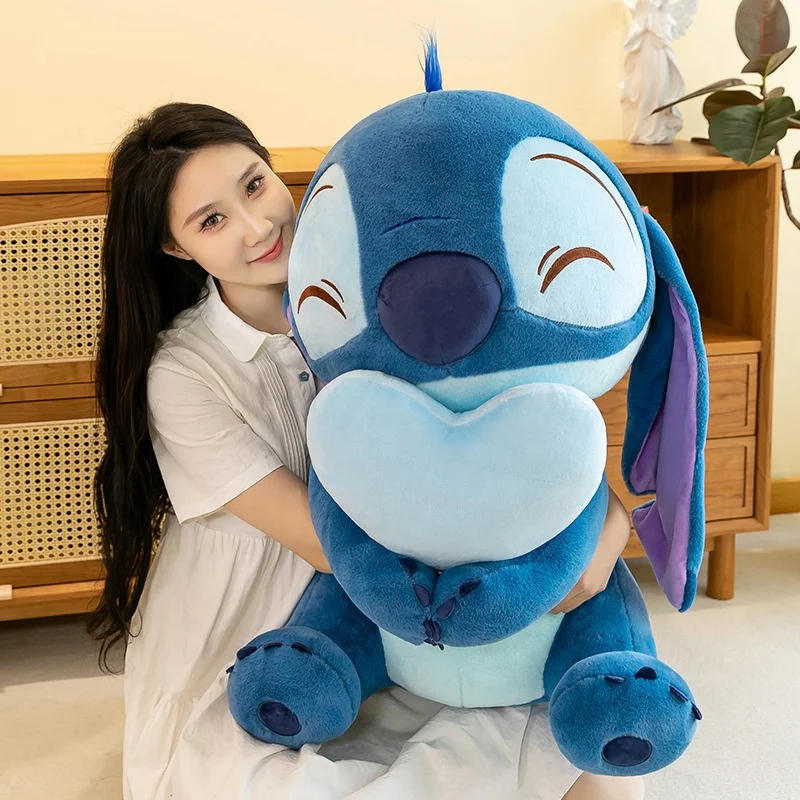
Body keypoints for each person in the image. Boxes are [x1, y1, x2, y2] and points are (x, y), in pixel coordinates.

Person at [89, 101, 644, 800]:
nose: (257, 227)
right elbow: (328, 546)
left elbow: (532, 463)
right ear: (175, 248)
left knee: (596, 769)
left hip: (418, 582)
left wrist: (599, 541)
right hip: (306, 600)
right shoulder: (184, 373)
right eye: (212, 221)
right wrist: (521, 583)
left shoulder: (380, 293)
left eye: (255, 185)